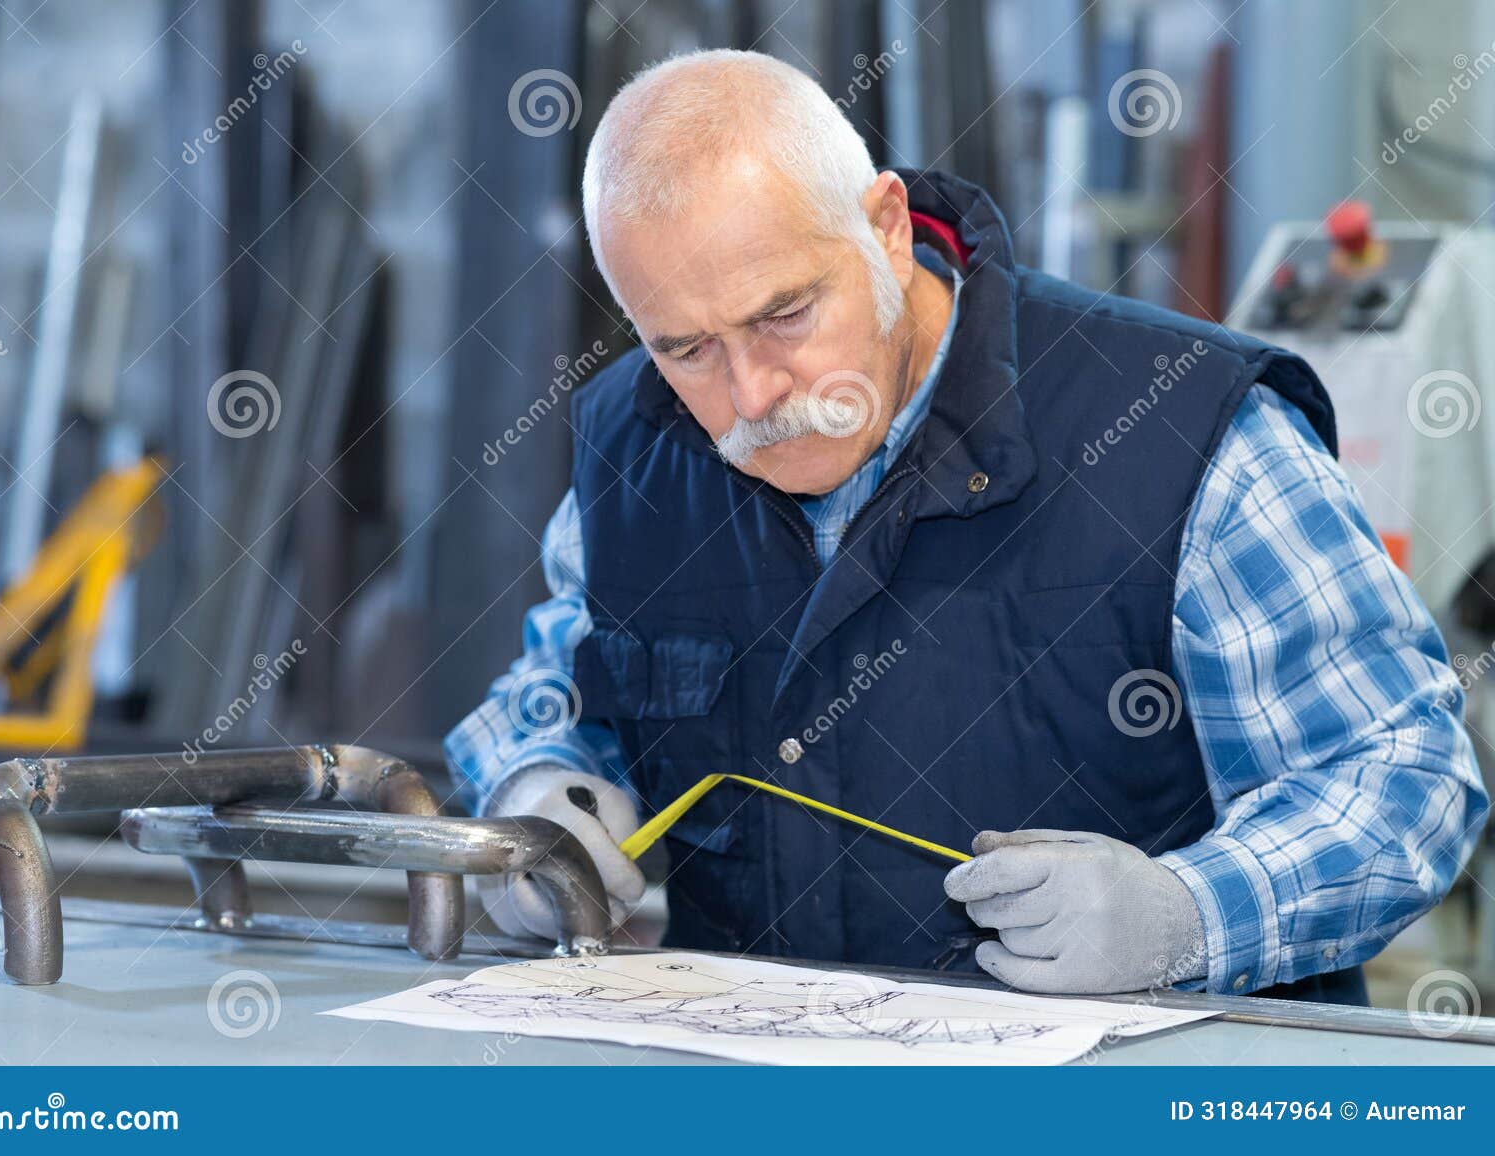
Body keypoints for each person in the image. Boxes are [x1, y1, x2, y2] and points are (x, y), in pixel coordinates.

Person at [447, 49, 1486, 1003]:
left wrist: (1189, 915)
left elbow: (1401, 776)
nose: (753, 390)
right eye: (685, 347)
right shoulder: (635, 447)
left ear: (887, 228)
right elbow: (562, 693)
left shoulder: (1185, 429)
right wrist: (537, 788)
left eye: (785, 315)